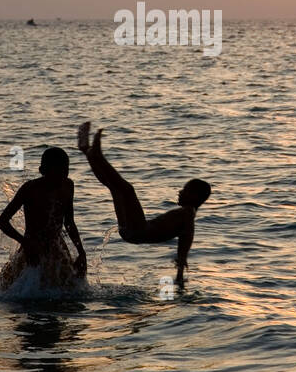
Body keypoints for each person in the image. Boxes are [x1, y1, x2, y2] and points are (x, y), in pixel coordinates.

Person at [78, 122, 210, 285]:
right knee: (114, 187)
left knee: (127, 189)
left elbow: (188, 236)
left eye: (186, 190)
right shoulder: (185, 214)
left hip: (139, 231)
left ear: (195, 197)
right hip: (130, 232)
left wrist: (181, 263)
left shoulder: (188, 212)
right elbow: (185, 237)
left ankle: (97, 155)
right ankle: (87, 152)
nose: (180, 192)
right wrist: (180, 271)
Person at [0, 147, 87, 290]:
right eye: (57, 172)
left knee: (70, 289)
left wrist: (81, 253)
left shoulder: (68, 186)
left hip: (58, 247)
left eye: (65, 171)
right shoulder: (30, 189)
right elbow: (2, 222)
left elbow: (69, 223)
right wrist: (26, 244)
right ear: (42, 171)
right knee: (22, 291)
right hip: (33, 249)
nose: (62, 177)